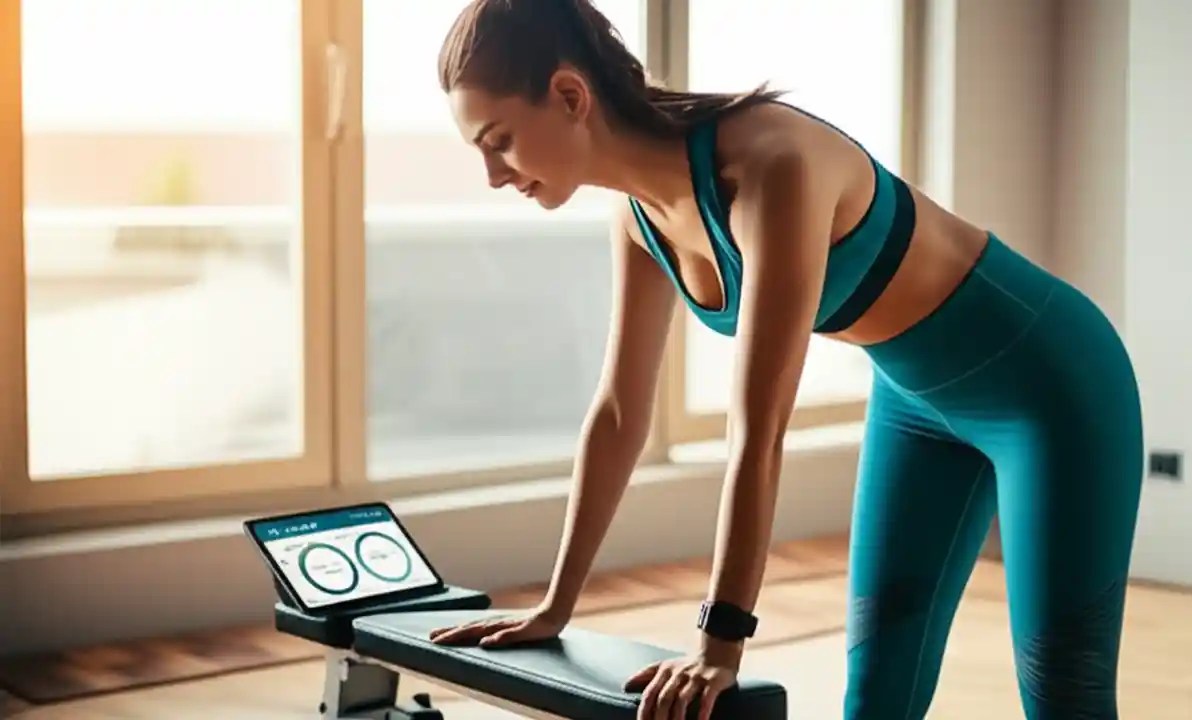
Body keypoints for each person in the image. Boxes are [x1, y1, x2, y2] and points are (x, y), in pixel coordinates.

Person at [426, 1, 1145, 718]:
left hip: (1047, 383)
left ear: (569, 95)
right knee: (876, 697)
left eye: (499, 141)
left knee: (1064, 696)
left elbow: (758, 431)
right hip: (913, 402)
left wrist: (719, 644)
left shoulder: (771, 165)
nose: (492, 174)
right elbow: (618, 414)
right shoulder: (640, 218)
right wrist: (556, 606)